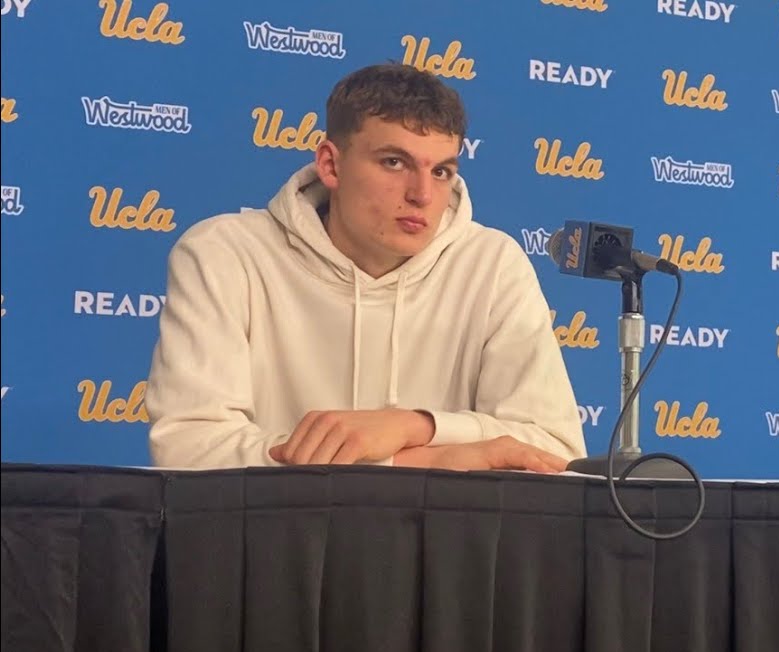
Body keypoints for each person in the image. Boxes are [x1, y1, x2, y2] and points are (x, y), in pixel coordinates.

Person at [145, 63, 586, 472]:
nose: (422, 195)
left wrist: (416, 425)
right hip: (276, 532)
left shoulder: (493, 262)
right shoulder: (224, 253)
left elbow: (553, 453)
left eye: (441, 171)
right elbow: (188, 447)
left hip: (441, 534)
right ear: (330, 164)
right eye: (395, 162)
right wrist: (428, 461)